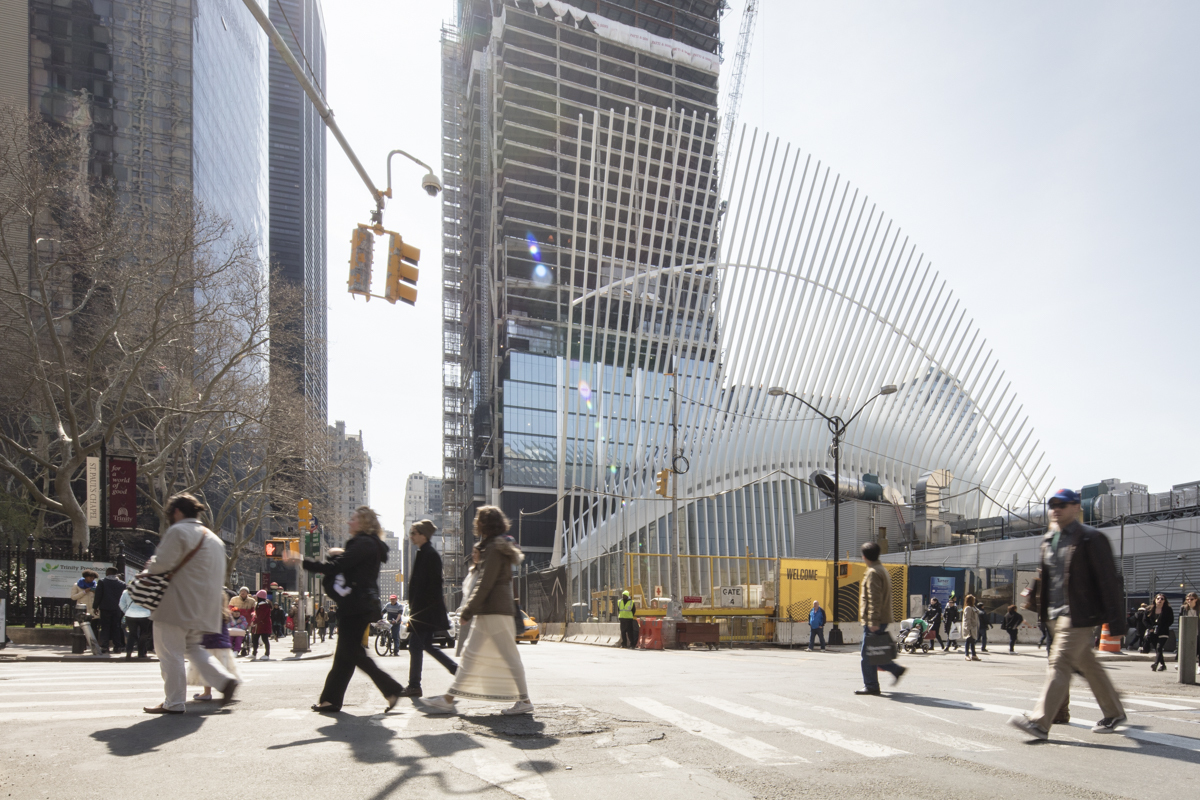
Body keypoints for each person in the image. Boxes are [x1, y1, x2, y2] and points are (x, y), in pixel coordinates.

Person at [1008, 488, 1127, 740]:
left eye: (1062, 505)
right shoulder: (1049, 539)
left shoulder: (1091, 538)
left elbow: (1109, 582)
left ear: (1075, 507)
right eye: (1052, 505)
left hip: (1079, 614)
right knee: (1088, 665)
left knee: (1059, 663)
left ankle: (1039, 723)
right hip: (1055, 615)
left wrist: (1117, 623)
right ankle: (1115, 712)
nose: (1056, 509)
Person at [288, 506, 404, 713]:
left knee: (353, 653)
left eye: (353, 519)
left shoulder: (363, 543)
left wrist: (302, 561)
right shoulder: (369, 544)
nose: (349, 522)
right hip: (358, 605)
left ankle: (391, 689)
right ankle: (330, 700)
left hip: (356, 606)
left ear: (364, 523)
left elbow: (335, 567)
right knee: (344, 655)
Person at [420, 506, 533, 716]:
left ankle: (524, 700)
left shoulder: (495, 548)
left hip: (496, 611)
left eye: (478, 520)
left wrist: (467, 610)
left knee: (509, 656)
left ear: (484, 524)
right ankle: (448, 699)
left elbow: (485, 582)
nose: (475, 523)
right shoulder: (492, 546)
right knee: (471, 655)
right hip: (490, 610)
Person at [142, 493, 238, 714]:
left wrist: (150, 566)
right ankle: (224, 681)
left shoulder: (178, 531)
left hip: (176, 603)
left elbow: (161, 564)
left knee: (169, 653)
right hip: (204, 607)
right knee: (193, 648)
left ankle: (174, 702)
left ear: (177, 512)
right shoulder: (215, 539)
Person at [399, 519, 458, 697]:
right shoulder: (424, 553)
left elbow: (432, 587)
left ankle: (415, 686)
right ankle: (455, 670)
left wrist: (421, 611)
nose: (411, 536)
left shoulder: (430, 555)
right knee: (424, 646)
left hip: (424, 612)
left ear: (423, 535)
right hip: (423, 611)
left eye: (414, 533)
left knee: (416, 646)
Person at [854, 541, 905, 696]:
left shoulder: (873, 572)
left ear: (864, 556)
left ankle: (871, 685)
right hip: (881, 617)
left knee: (867, 654)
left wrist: (873, 621)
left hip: (876, 620)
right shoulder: (880, 569)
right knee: (873, 651)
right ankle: (895, 670)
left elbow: (874, 598)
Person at [189, 608, 241, 701]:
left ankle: (207, 693)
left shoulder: (206, 611)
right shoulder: (224, 613)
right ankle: (229, 685)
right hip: (223, 645)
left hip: (209, 643)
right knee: (225, 667)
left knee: (207, 668)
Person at [93, 567, 127, 654]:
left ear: (107, 573)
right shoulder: (122, 584)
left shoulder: (102, 582)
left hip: (105, 608)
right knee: (116, 627)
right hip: (117, 608)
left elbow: (98, 595)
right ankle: (117, 647)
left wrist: (95, 607)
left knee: (105, 627)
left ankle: (105, 646)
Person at [120, 585, 153, 659]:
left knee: (132, 633)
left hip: (130, 615)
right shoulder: (148, 591)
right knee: (144, 634)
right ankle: (141, 653)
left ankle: (129, 651)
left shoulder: (126, 592)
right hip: (145, 614)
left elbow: (121, 604)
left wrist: (126, 611)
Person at [1145, 593, 1173, 672]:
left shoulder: (1168, 609)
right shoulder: (1149, 609)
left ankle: (1155, 664)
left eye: (1162, 599)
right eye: (1158, 598)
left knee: (1159, 647)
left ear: (1164, 601)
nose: (1160, 600)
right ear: (1155, 600)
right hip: (1153, 632)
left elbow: (1171, 620)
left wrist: (1162, 627)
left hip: (1163, 631)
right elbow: (1144, 620)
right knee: (1158, 650)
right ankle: (1163, 665)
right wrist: (1150, 628)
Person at [251, 590, 273, 660]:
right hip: (259, 625)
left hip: (263, 625)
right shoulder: (259, 604)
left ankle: (267, 654)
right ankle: (254, 653)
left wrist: (254, 622)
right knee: (255, 639)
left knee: (265, 639)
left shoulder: (265, 605)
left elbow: (261, 616)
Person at [962, 594, 981, 661]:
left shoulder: (973, 607)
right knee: (969, 641)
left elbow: (978, 612)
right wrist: (969, 627)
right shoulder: (968, 608)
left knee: (972, 641)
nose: (974, 601)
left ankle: (973, 655)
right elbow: (967, 619)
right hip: (970, 628)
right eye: (973, 600)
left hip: (974, 627)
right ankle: (967, 655)